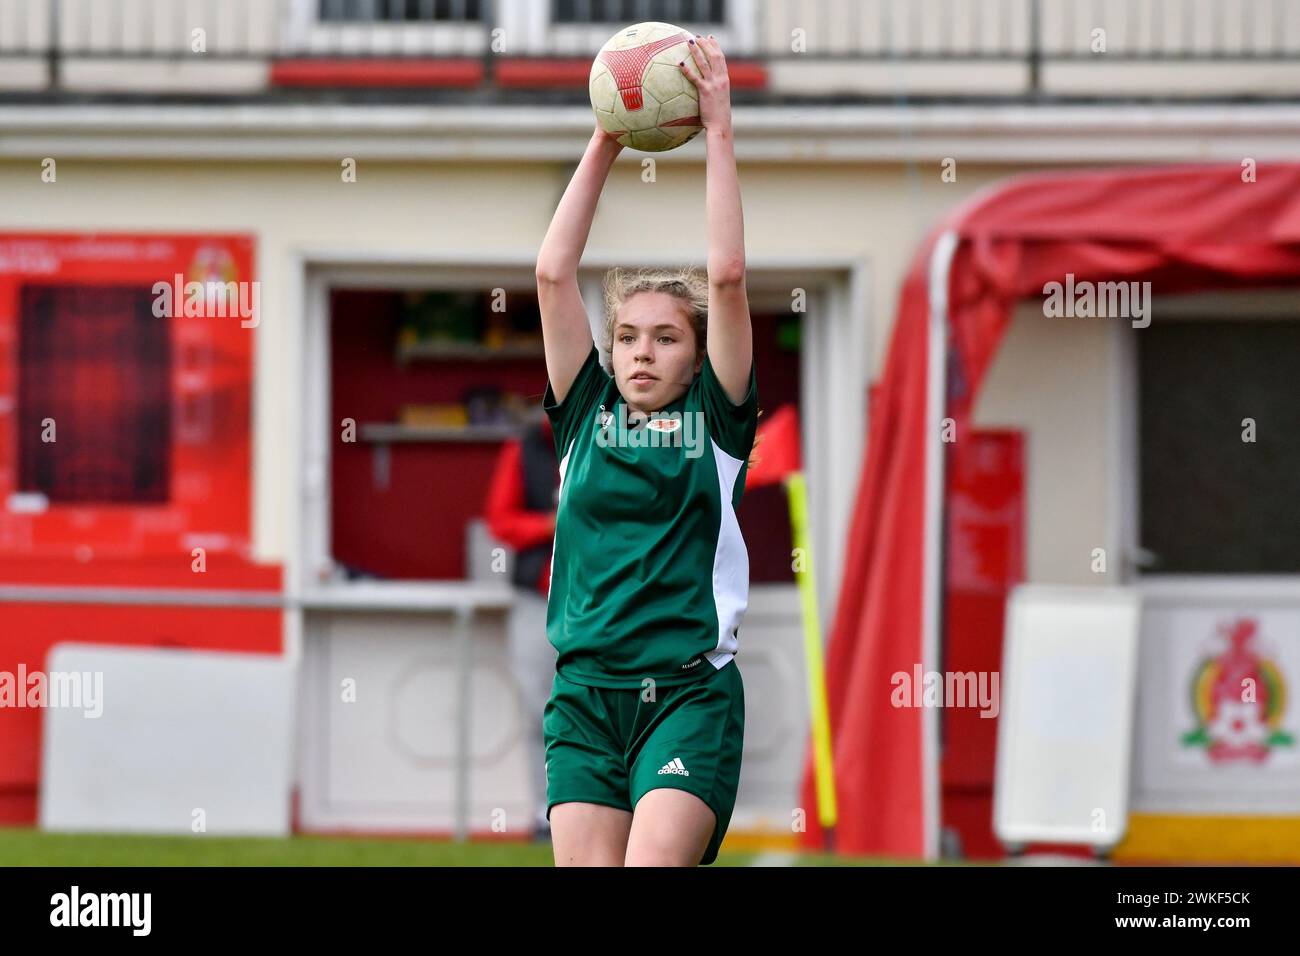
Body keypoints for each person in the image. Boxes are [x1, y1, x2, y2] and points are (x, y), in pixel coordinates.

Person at [534, 35, 757, 867]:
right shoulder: (584, 411)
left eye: (665, 339)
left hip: (687, 695)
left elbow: (727, 274)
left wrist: (719, 129)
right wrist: (609, 131)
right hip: (586, 696)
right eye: (626, 335)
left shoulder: (720, 421)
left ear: (695, 358)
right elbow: (555, 273)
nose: (639, 352)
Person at [483, 413, 559, 840]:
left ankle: (614, 810)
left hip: (604, 597)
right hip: (537, 596)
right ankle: (546, 814)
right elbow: (501, 520)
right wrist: (552, 522)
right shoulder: (524, 446)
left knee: (610, 707)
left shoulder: (619, 432)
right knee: (539, 709)